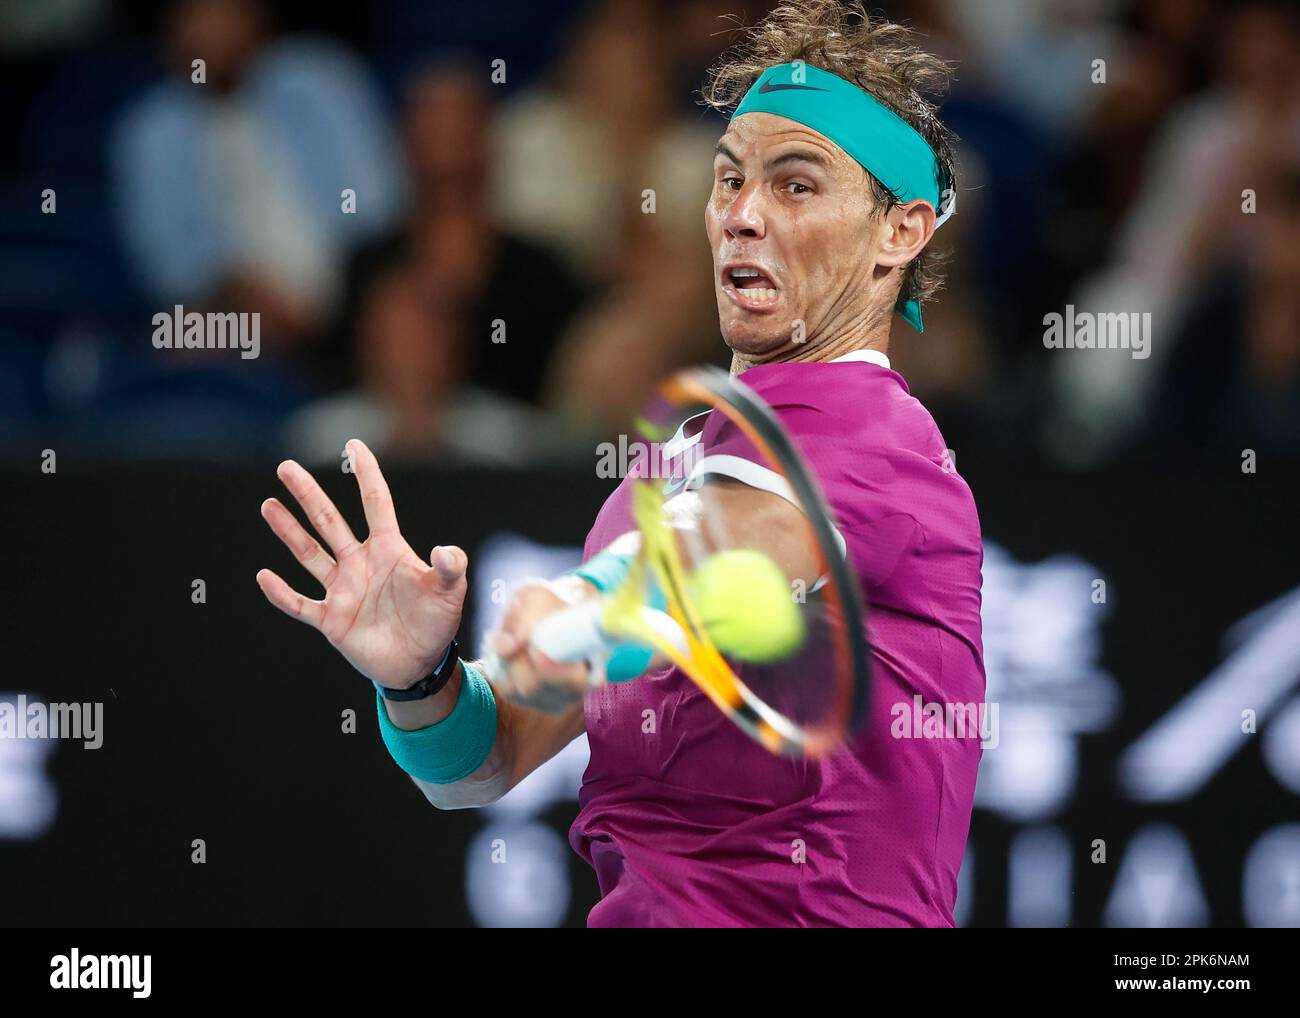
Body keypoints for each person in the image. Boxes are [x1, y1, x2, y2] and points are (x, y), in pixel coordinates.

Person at [256, 1, 984, 927]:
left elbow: (731, 551)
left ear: (901, 231)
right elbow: (486, 765)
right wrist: (421, 681)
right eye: (728, 181)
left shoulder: (884, 446)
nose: (742, 216)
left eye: (796, 186)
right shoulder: (667, 475)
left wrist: (583, 612)